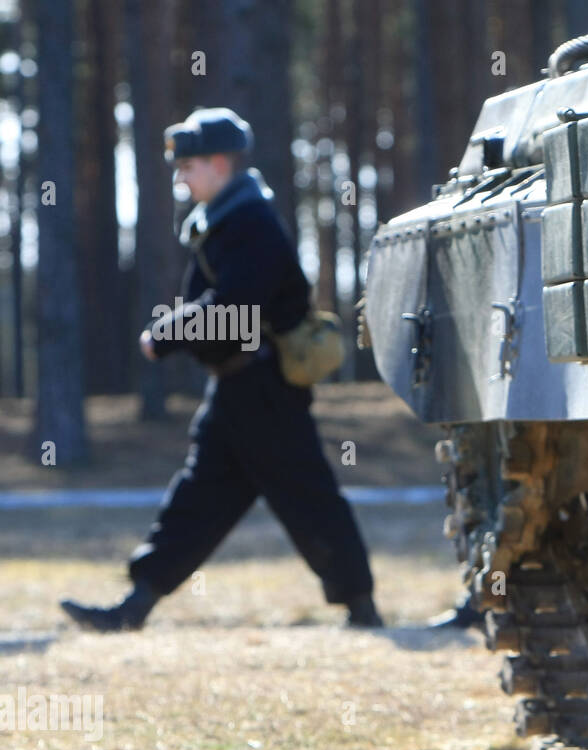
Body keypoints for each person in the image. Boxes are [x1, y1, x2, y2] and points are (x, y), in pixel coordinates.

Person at [60, 108, 383, 631]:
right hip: (238, 388)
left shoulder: (249, 221)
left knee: (308, 499)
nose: (180, 176)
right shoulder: (226, 219)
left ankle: (363, 610)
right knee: (197, 500)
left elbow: (237, 308)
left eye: (187, 166)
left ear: (217, 163)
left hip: (264, 390)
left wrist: (164, 335)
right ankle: (135, 606)